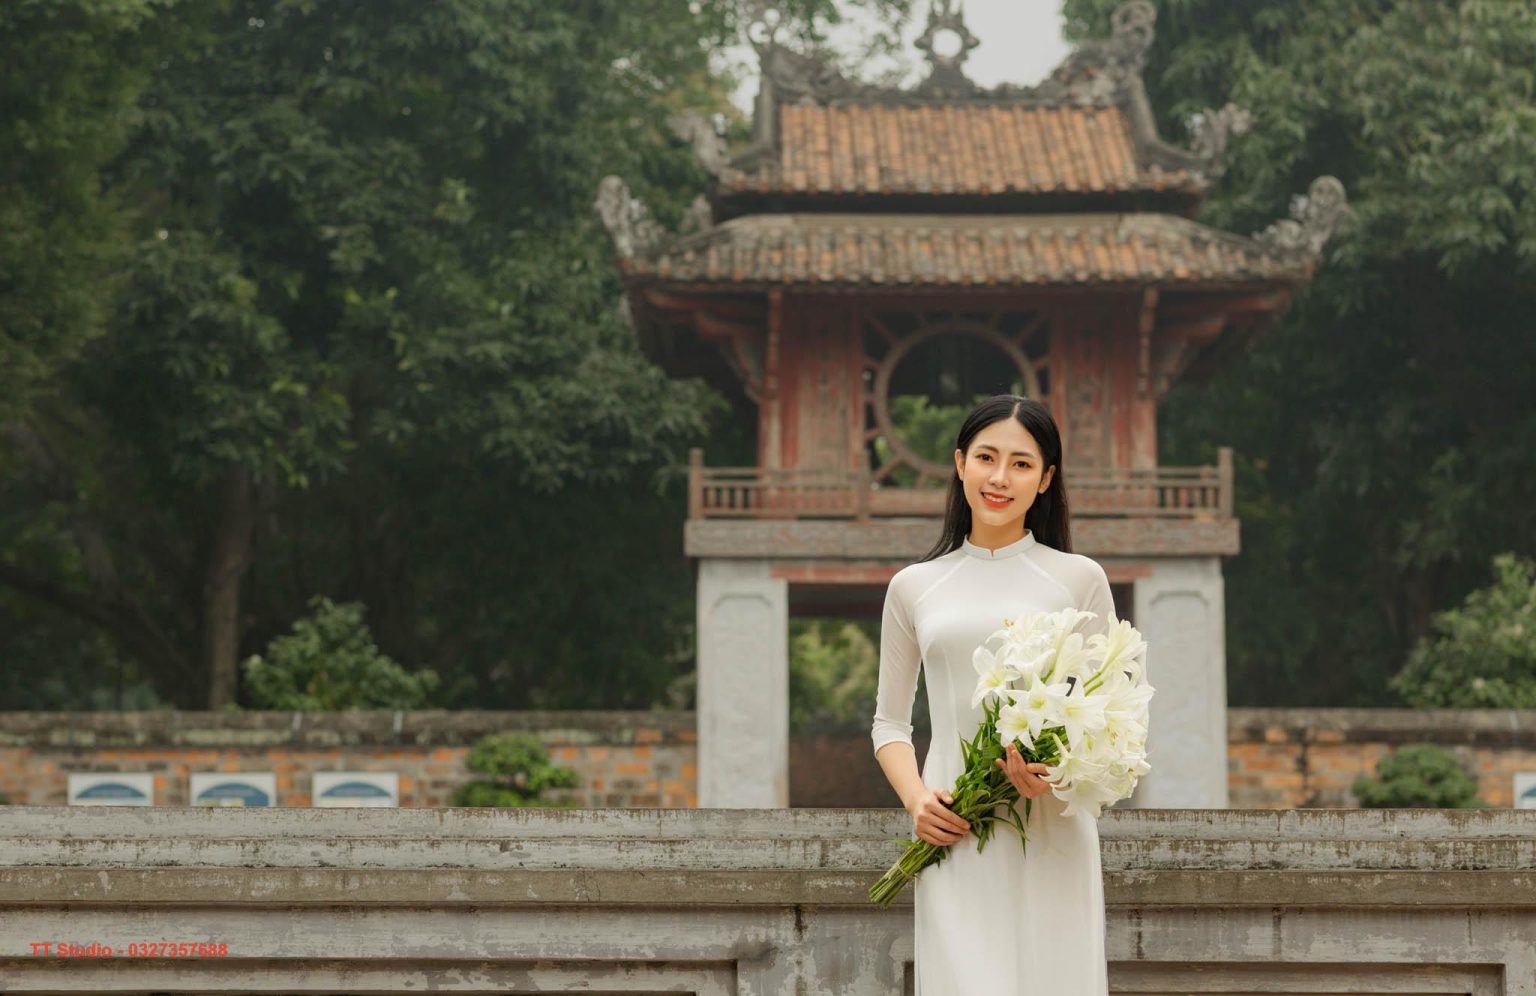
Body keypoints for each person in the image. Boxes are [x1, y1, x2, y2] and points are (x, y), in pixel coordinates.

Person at [872, 394, 1117, 995]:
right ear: (960, 464)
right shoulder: (915, 587)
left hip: (1053, 825)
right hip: (954, 826)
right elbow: (889, 724)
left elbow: (1113, 717)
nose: (1000, 478)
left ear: (1046, 478)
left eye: (1022, 464)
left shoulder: (1079, 579)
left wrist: (1057, 773)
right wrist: (917, 801)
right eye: (986, 457)